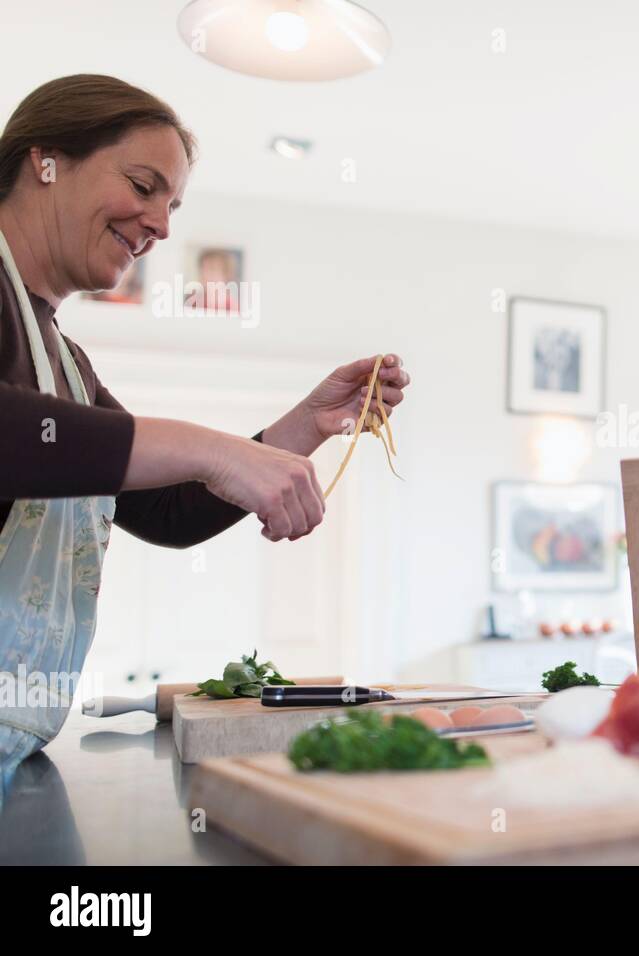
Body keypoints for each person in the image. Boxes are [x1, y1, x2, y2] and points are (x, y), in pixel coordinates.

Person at [0, 74, 411, 778]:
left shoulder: (65, 363)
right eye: (142, 184)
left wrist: (308, 423)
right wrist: (213, 450)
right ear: (46, 162)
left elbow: (164, 510)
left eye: (173, 203)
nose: (161, 223)